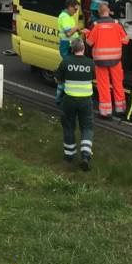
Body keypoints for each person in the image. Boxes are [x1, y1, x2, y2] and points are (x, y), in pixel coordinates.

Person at [55, 38, 95, 171]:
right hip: (86, 101)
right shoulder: (90, 63)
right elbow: (93, 78)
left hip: (69, 100)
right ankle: (85, 155)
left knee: (68, 126)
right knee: (87, 127)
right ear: (83, 48)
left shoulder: (66, 62)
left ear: (72, 49)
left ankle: (69, 155)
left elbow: (58, 78)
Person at [86, 2, 129, 118]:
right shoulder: (117, 24)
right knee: (118, 84)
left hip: (100, 61)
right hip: (116, 60)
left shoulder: (95, 25)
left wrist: (87, 34)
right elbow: (126, 40)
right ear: (109, 11)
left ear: (99, 13)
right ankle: (121, 109)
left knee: (103, 85)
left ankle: (106, 112)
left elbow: (89, 42)